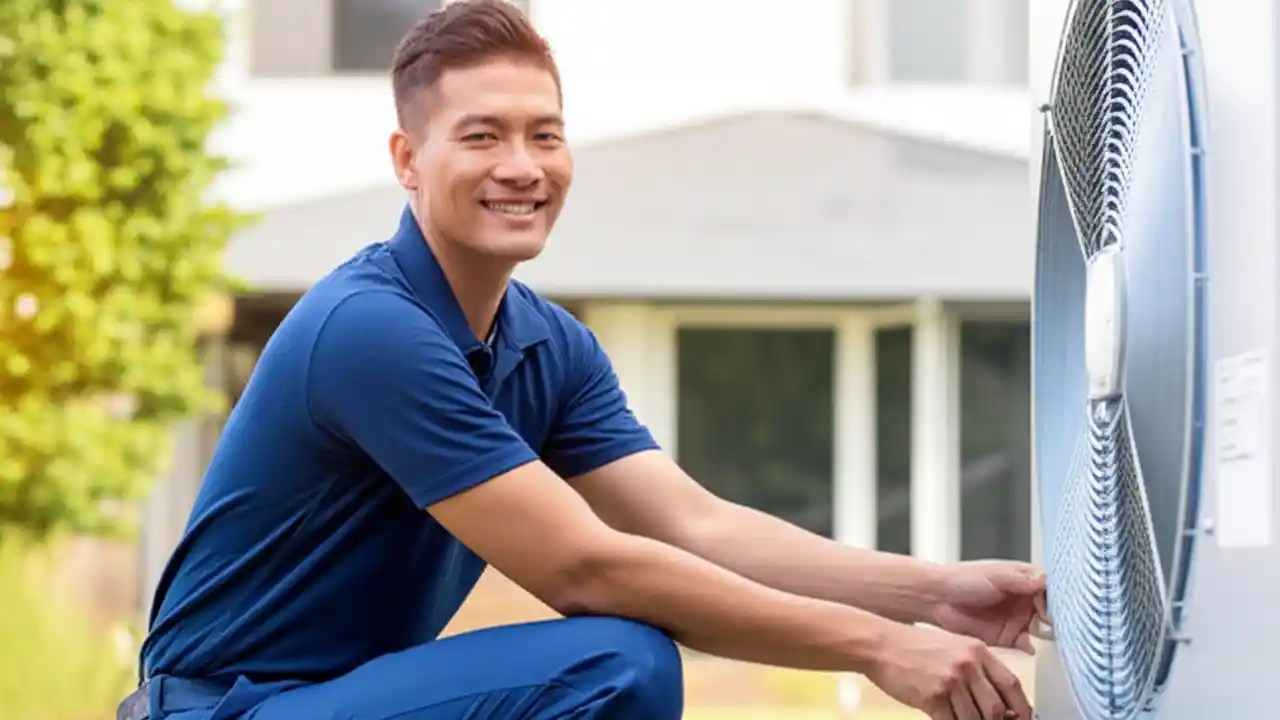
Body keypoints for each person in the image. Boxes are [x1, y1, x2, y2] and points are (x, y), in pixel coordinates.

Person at [120, 2, 1050, 719]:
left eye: (545, 133)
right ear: (407, 159)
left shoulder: (547, 345)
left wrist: (933, 594)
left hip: (351, 694)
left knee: (620, 658)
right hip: (232, 707)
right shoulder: (368, 330)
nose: (522, 165)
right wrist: (878, 647)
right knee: (616, 663)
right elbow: (585, 569)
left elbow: (695, 523)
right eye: (482, 135)